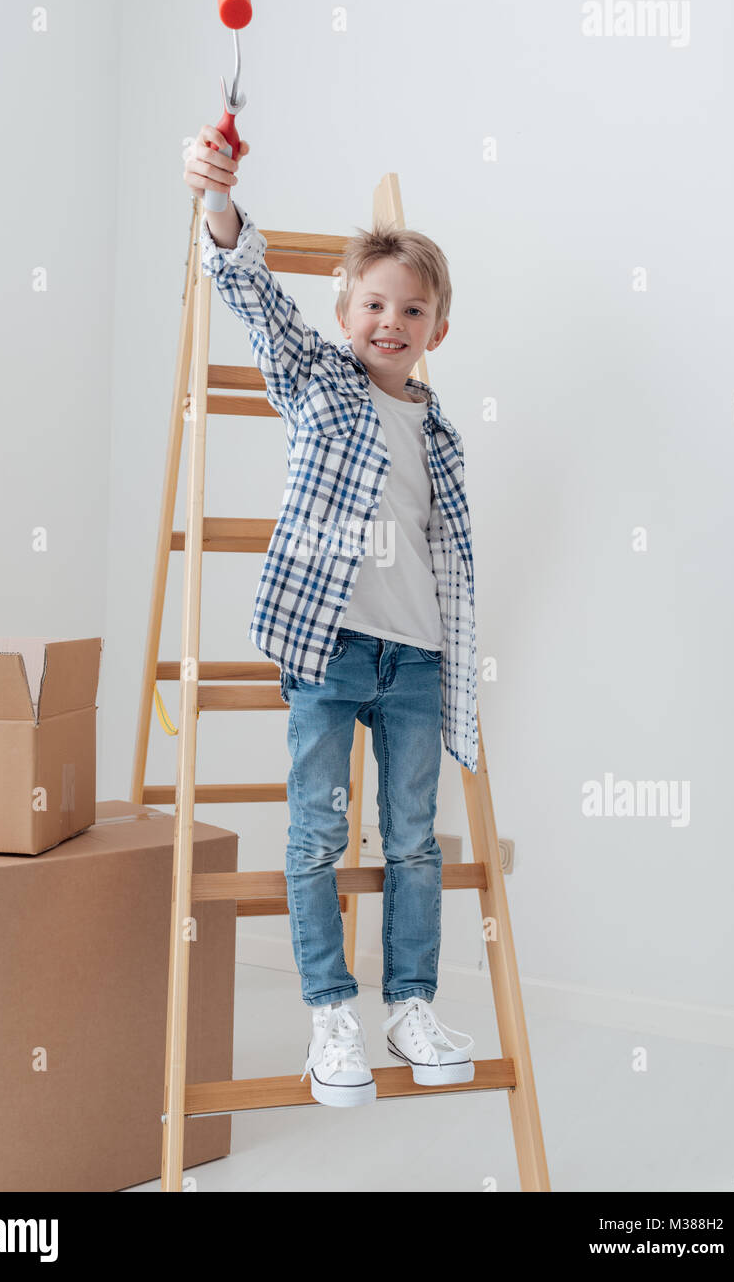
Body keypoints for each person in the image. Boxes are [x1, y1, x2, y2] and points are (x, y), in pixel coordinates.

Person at [183, 126, 478, 1107]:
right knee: (315, 830)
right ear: (345, 311)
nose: (390, 322)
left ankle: (411, 1001)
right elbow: (252, 294)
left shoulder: (439, 434)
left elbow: (448, 559)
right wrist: (222, 206)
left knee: (412, 843)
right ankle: (330, 1013)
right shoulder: (319, 381)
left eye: (413, 310)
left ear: (436, 329)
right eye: (373, 305)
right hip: (330, 647)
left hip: (418, 660)